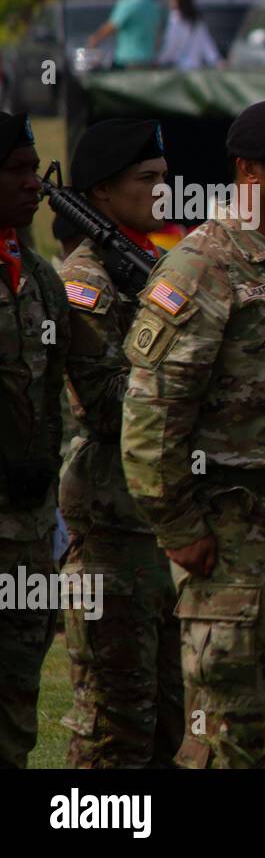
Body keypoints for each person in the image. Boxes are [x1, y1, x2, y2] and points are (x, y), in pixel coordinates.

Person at [120, 100, 265, 768]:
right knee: (226, 739)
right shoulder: (203, 266)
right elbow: (153, 411)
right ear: (248, 170)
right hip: (234, 539)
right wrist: (177, 527)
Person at [58, 119, 183, 768]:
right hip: (113, 523)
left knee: (169, 724)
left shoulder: (149, 263)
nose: (163, 192)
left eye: (165, 179)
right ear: (103, 192)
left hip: (155, 522)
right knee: (113, 730)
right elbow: (100, 404)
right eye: (147, 181)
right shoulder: (90, 279)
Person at [0, 111, 70, 768]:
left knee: (18, 704)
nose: (33, 185)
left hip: (27, 528)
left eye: (33, 169)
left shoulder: (37, 276)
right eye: (17, 171)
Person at [87, 0, 163, 68]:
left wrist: (95, 39)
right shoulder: (152, 2)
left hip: (127, 60)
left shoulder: (127, 2)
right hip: (148, 59)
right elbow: (158, 30)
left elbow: (112, 26)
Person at [156, 0, 220, 71]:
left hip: (178, 69)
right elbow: (207, 45)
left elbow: (171, 44)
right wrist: (217, 60)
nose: (170, 1)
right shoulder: (197, 20)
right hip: (195, 69)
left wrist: (159, 60)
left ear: (178, 1)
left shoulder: (174, 18)